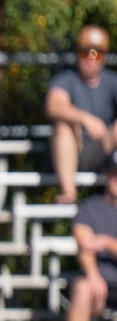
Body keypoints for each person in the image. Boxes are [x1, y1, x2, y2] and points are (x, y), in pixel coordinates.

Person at [60, 157, 117, 321]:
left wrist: (106, 242)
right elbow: (84, 244)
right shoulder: (89, 208)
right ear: (106, 173)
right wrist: (93, 273)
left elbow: (94, 242)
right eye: (114, 172)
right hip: (101, 288)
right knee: (83, 288)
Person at [46, 24, 114, 205]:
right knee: (63, 126)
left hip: (103, 150)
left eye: (96, 54)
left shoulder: (111, 81)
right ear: (77, 54)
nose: (91, 59)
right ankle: (69, 192)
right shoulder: (67, 79)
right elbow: (54, 105)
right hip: (72, 149)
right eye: (86, 53)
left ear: (104, 57)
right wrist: (84, 118)